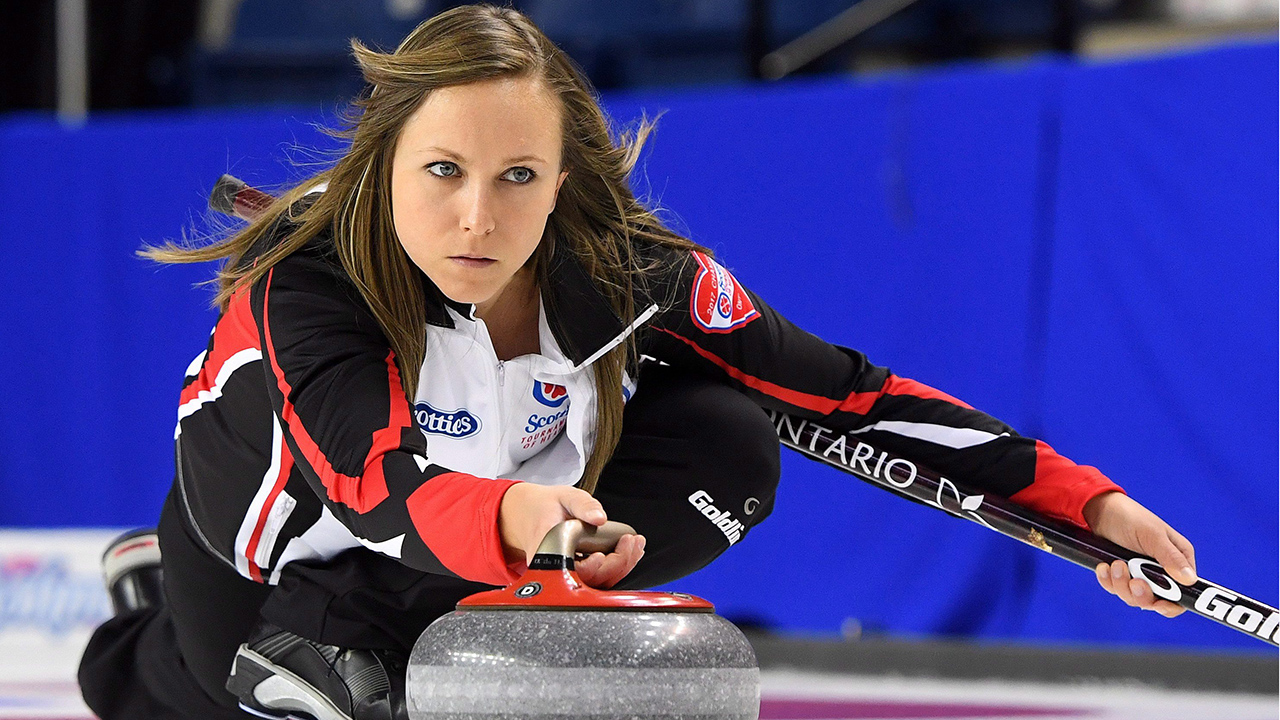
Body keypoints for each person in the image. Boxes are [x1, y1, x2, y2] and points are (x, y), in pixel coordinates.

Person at [76, 5, 1199, 720]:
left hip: (490, 536)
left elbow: (850, 399)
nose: (478, 218)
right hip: (273, 554)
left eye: (518, 177)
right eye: (442, 171)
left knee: (730, 440)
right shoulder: (309, 290)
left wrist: (1086, 508)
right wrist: (520, 520)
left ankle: (430, 620)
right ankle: (147, 609)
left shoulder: (629, 276)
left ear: (562, 182)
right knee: (210, 687)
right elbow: (376, 485)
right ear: (385, 167)